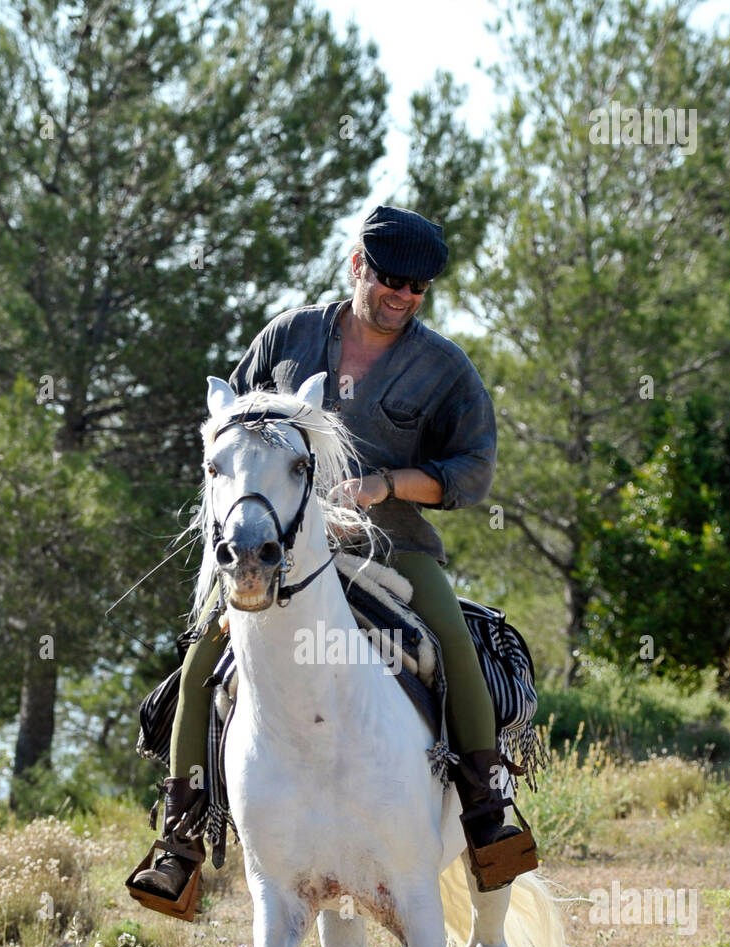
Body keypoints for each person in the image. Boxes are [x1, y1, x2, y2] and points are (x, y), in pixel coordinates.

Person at [131, 205, 519, 906]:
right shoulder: (287, 336)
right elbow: (231, 436)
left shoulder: (443, 369)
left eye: (419, 287)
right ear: (356, 267)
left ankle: (487, 811)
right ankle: (180, 839)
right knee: (196, 667)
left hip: (392, 547)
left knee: (455, 646)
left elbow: (470, 472)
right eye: (391, 279)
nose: (403, 295)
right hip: (278, 550)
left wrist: (385, 485)